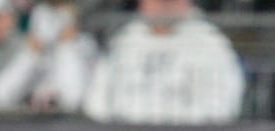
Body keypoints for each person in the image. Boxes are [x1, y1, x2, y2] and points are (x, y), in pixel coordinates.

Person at [83, 0, 244, 124]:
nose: (163, 5)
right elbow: (98, 98)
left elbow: (223, 103)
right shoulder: (123, 42)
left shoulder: (211, 44)